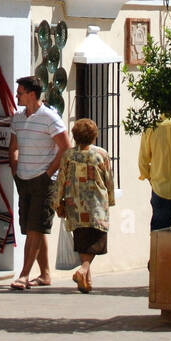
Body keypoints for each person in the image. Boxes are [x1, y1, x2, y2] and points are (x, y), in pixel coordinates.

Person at [8, 75, 70, 289]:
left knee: (35, 227)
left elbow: (65, 148)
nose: (17, 95)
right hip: (23, 179)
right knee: (32, 226)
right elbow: (13, 146)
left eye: (20, 92)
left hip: (43, 180)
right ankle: (44, 275)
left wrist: (48, 173)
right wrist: (15, 168)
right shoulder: (17, 118)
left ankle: (24, 275)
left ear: (32, 94)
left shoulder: (50, 118)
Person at [52, 118, 115, 293]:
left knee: (82, 240)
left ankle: (86, 279)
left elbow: (61, 180)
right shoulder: (101, 154)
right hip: (96, 206)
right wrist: (110, 199)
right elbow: (109, 179)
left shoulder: (68, 156)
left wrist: (58, 203)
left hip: (74, 205)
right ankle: (83, 270)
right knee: (96, 239)